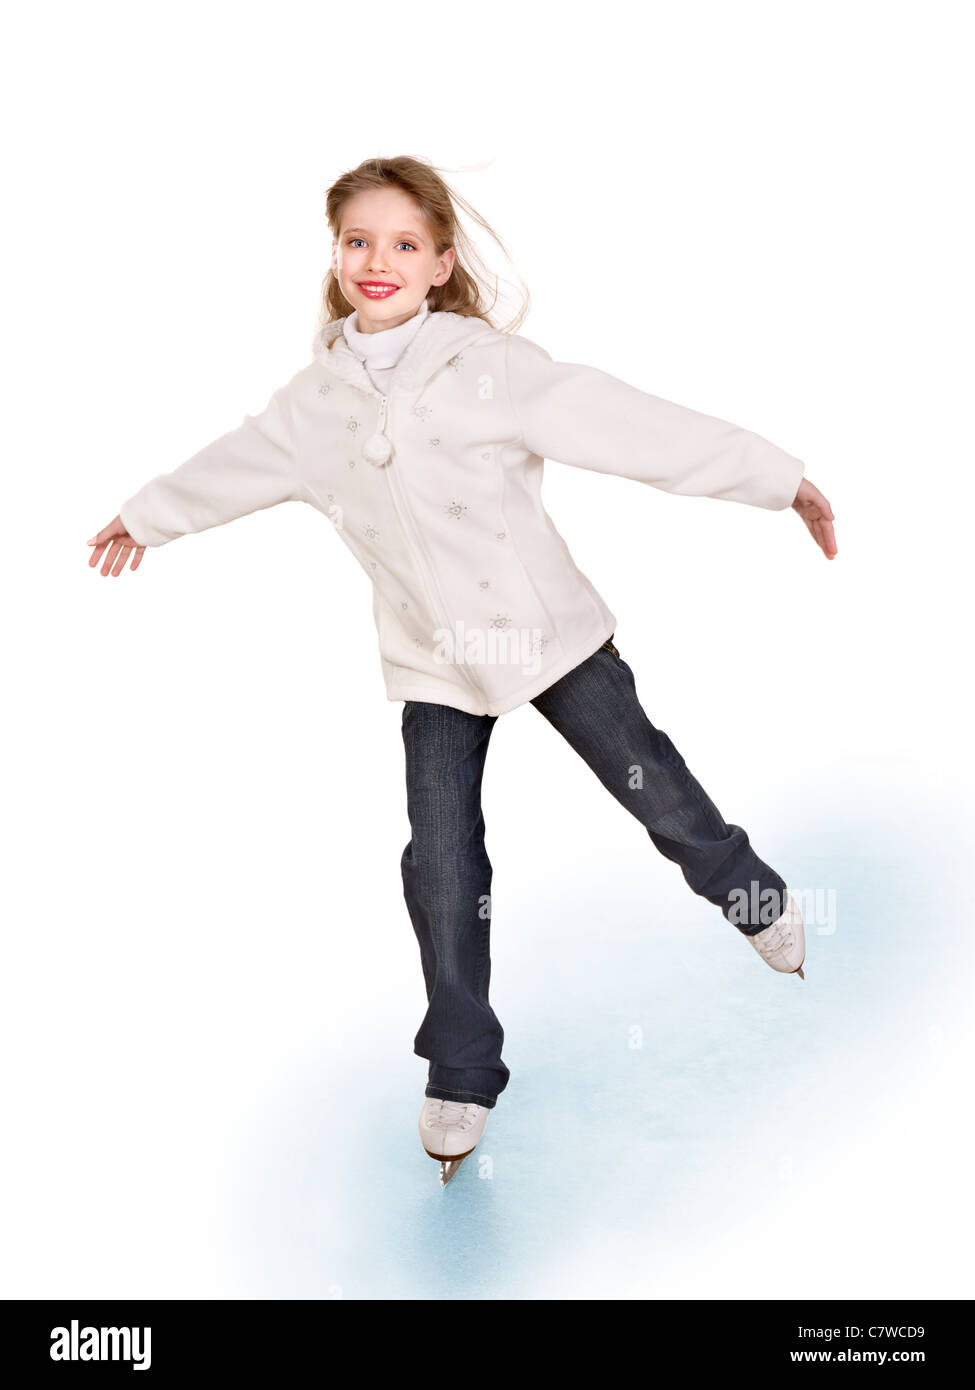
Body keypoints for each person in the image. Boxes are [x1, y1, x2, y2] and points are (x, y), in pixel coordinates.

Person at [87, 155, 837, 1186]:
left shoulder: (491, 367)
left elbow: (629, 425)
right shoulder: (317, 403)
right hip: (434, 662)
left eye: (404, 243)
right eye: (358, 241)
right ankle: (460, 1063)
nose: (378, 260)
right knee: (441, 864)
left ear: (442, 263)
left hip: (547, 637)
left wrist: (777, 478)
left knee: (655, 787)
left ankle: (756, 901)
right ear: (336, 257)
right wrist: (145, 515)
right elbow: (234, 463)